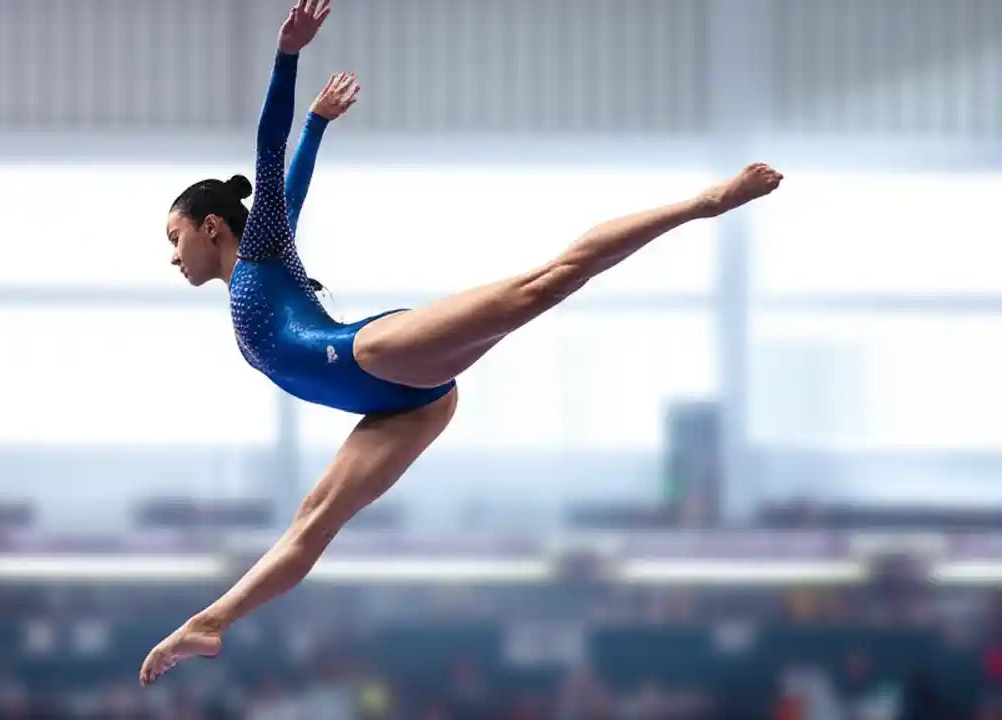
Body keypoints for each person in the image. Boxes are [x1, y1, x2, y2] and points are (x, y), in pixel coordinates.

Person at [143, 0, 783, 685]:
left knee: (543, 285)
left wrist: (288, 58)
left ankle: (705, 202)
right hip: (404, 406)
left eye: (175, 238)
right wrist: (319, 124)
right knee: (311, 526)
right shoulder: (265, 249)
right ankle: (212, 623)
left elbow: (271, 163)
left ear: (213, 227)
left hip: (373, 353)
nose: (173, 256)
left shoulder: (262, 251)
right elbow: (288, 183)